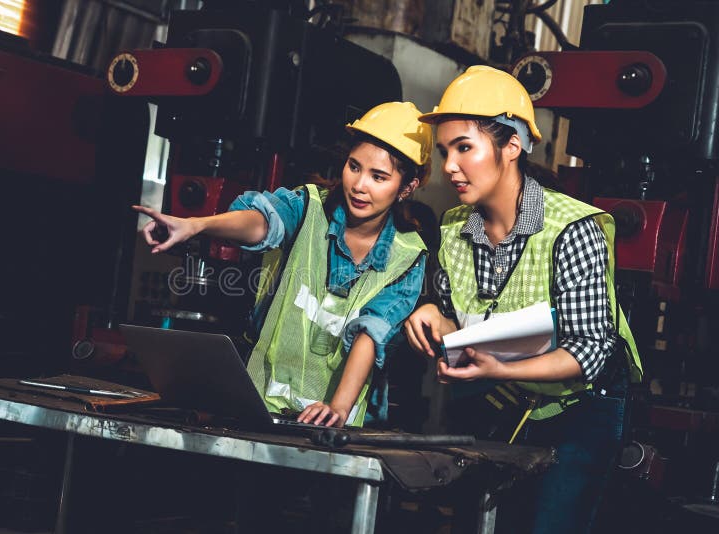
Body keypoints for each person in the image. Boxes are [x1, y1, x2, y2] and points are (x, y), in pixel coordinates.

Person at [403, 66, 643, 533]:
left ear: (511, 145)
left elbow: (588, 350)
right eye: (445, 151)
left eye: (464, 148)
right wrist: (434, 312)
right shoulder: (454, 226)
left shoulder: (571, 229)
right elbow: (464, 318)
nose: (450, 165)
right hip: (498, 401)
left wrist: (500, 368)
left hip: (581, 407)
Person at [135, 101, 432, 428]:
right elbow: (263, 221)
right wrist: (197, 224)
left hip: (336, 429)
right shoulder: (307, 207)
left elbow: (371, 332)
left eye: (379, 176)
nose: (360, 185)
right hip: (258, 411)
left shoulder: (408, 256)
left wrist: (338, 408)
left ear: (407, 187)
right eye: (354, 166)